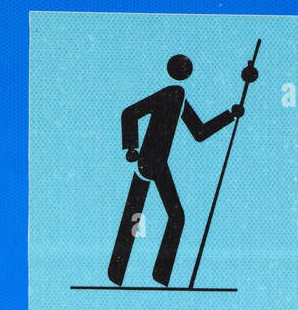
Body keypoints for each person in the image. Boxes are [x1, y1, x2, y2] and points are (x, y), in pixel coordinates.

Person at [108, 54, 259, 287]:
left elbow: (199, 132)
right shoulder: (171, 93)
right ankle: (125, 274)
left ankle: (150, 276)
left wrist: (231, 115)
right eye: (186, 68)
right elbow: (129, 113)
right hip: (147, 162)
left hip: (159, 164)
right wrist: (131, 147)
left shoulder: (179, 96)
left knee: (159, 216)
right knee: (142, 216)